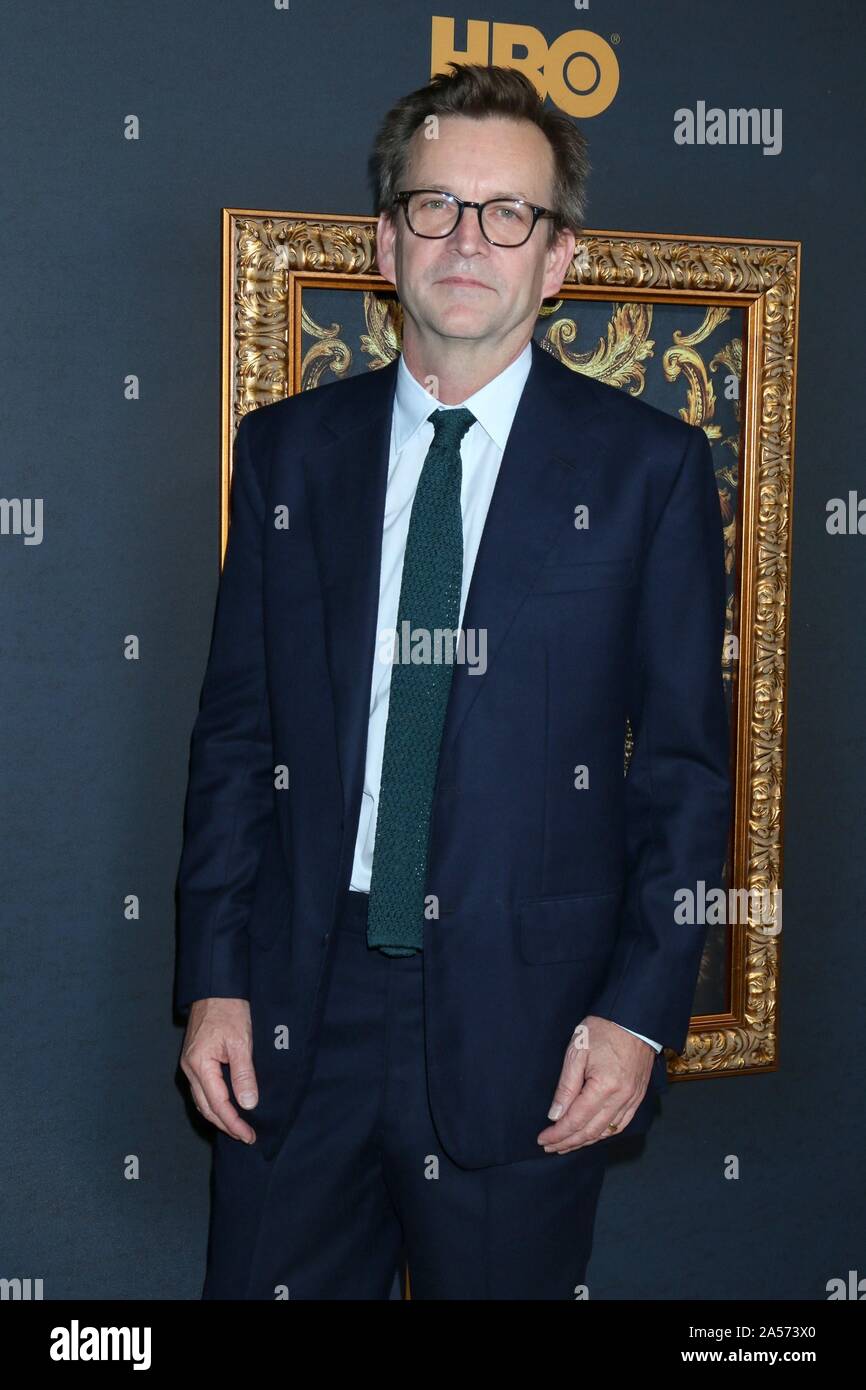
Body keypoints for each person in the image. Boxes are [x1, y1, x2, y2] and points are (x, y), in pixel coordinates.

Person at [174, 62, 731, 1300]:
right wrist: (214, 976)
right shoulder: (287, 455)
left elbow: (687, 775)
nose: (467, 239)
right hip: (293, 1016)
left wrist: (637, 1013)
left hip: (528, 1030)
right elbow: (233, 736)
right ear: (386, 239)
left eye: (506, 213)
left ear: (558, 258)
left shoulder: (647, 471)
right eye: (434, 205)